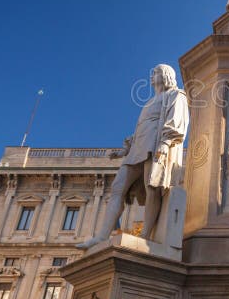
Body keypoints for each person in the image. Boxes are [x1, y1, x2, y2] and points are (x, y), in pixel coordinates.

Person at [77, 64, 189, 249]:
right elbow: (139, 130)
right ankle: (102, 236)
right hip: (137, 149)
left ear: (166, 75)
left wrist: (165, 144)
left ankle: (146, 235)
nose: (152, 75)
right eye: (152, 73)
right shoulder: (149, 103)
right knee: (117, 188)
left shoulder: (176, 95)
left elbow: (176, 122)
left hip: (156, 147)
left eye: (156, 72)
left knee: (152, 187)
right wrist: (124, 151)